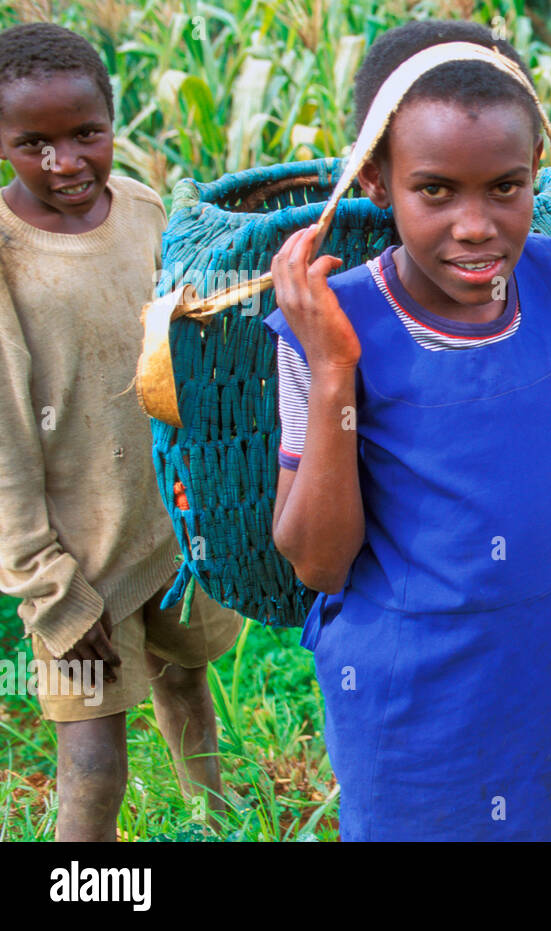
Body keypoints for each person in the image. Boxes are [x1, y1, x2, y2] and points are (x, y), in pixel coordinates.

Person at [264, 20, 551, 841]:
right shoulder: (327, 325)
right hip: (407, 691)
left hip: (540, 658)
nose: (476, 226)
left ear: (539, 175)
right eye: (435, 190)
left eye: (505, 187)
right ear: (377, 181)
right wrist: (336, 367)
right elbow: (320, 559)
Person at [0, 22, 240, 841]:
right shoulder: (6, 254)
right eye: (32, 143)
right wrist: (48, 582)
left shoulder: (143, 209)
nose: (65, 163)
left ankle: (219, 816)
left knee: (187, 680)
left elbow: (181, 352)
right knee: (94, 763)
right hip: (78, 558)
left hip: (170, 526)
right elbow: (4, 442)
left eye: (85, 135)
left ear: (113, 118)